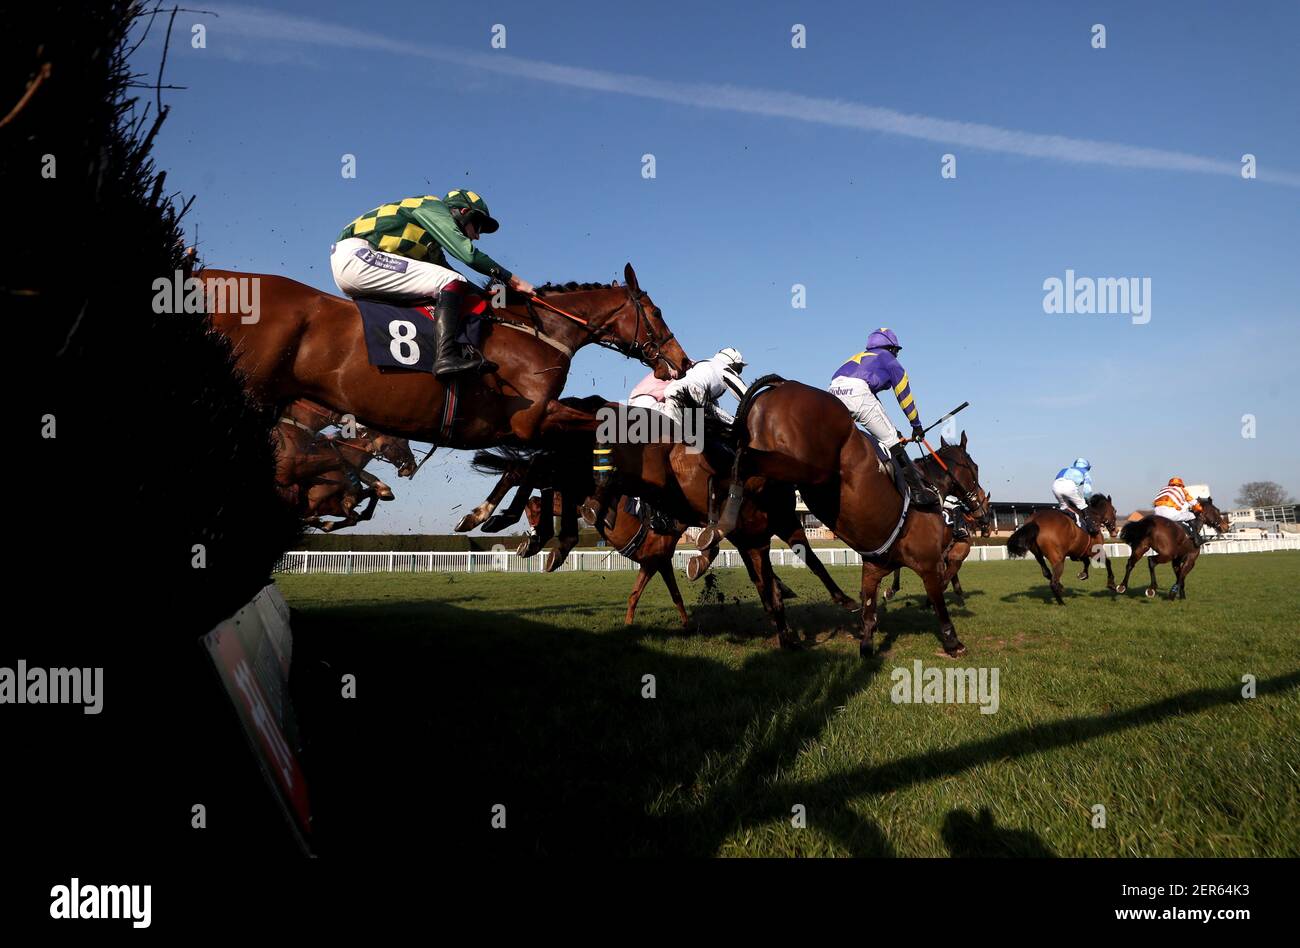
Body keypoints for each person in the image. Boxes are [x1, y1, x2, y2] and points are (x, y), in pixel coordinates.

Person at [331, 189, 536, 378]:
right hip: (358, 256)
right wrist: (513, 280)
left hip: (358, 261)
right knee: (449, 281)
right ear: (462, 212)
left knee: (449, 282)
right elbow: (468, 256)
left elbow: (453, 276)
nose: (477, 236)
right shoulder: (433, 206)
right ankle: (445, 357)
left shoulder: (430, 243)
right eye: (478, 226)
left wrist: (482, 295)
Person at [829, 328, 935, 505]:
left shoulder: (859, 357)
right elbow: (904, 395)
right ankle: (917, 493)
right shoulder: (889, 360)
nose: (897, 355)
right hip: (858, 394)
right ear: (891, 348)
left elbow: (872, 402)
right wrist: (916, 426)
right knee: (892, 442)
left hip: (833, 391)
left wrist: (894, 428)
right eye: (897, 351)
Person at [660, 347, 748, 428]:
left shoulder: (703, 363)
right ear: (732, 363)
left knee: (672, 434)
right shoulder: (724, 368)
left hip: (671, 393)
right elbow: (745, 394)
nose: (738, 372)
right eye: (739, 368)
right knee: (734, 424)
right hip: (693, 393)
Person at [1153, 476, 1205, 546]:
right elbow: (1195, 503)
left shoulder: (1163, 489)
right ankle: (1196, 539)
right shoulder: (1183, 490)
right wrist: (1200, 509)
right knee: (1191, 516)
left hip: (1157, 514)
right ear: (1181, 485)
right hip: (1170, 514)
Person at [1052, 458, 1096, 534]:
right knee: (1082, 505)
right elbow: (1087, 489)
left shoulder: (1064, 469)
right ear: (1086, 467)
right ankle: (1090, 526)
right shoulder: (1085, 472)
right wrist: (1087, 498)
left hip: (1055, 486)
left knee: (1064, 507)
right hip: (1069, 487)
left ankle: (1063, 525)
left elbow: (1057, 479)